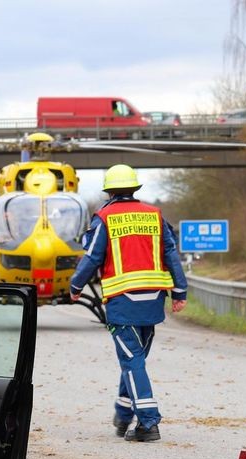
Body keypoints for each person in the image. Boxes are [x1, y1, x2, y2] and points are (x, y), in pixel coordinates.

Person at [70, 164, 187, 442]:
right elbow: (171, 254)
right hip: (153, 301)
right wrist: (180, 292)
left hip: (123, 302)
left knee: (132, 359)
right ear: (135, 188)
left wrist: (75, 285)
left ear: (109, 191)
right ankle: (123, 416)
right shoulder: (154, 215)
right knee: (135, 358)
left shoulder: (105, 217)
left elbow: (92, 257)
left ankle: (148, 423)